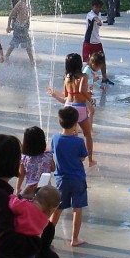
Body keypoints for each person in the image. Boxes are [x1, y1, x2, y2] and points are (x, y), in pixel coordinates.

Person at [50, 105, 89, 247]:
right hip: (77, 179)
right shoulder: (78, 141)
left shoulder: (55, 138)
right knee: (77, 209)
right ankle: (74, 239)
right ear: (75, 124)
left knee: (58, 208)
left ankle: (47, 235)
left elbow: (53, 153)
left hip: (61, 179)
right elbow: (82, 158)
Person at [47, 52, 96, 165]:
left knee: (72, 134)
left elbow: (66, 95)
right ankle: (90, 160)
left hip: (68, 106)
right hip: (80, 107)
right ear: (79, 64)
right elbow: (81, 90)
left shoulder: (67, 77)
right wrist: (90, 98)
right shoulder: (83, 76)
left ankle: (71, 157)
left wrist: (55, 94)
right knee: (87, 134)